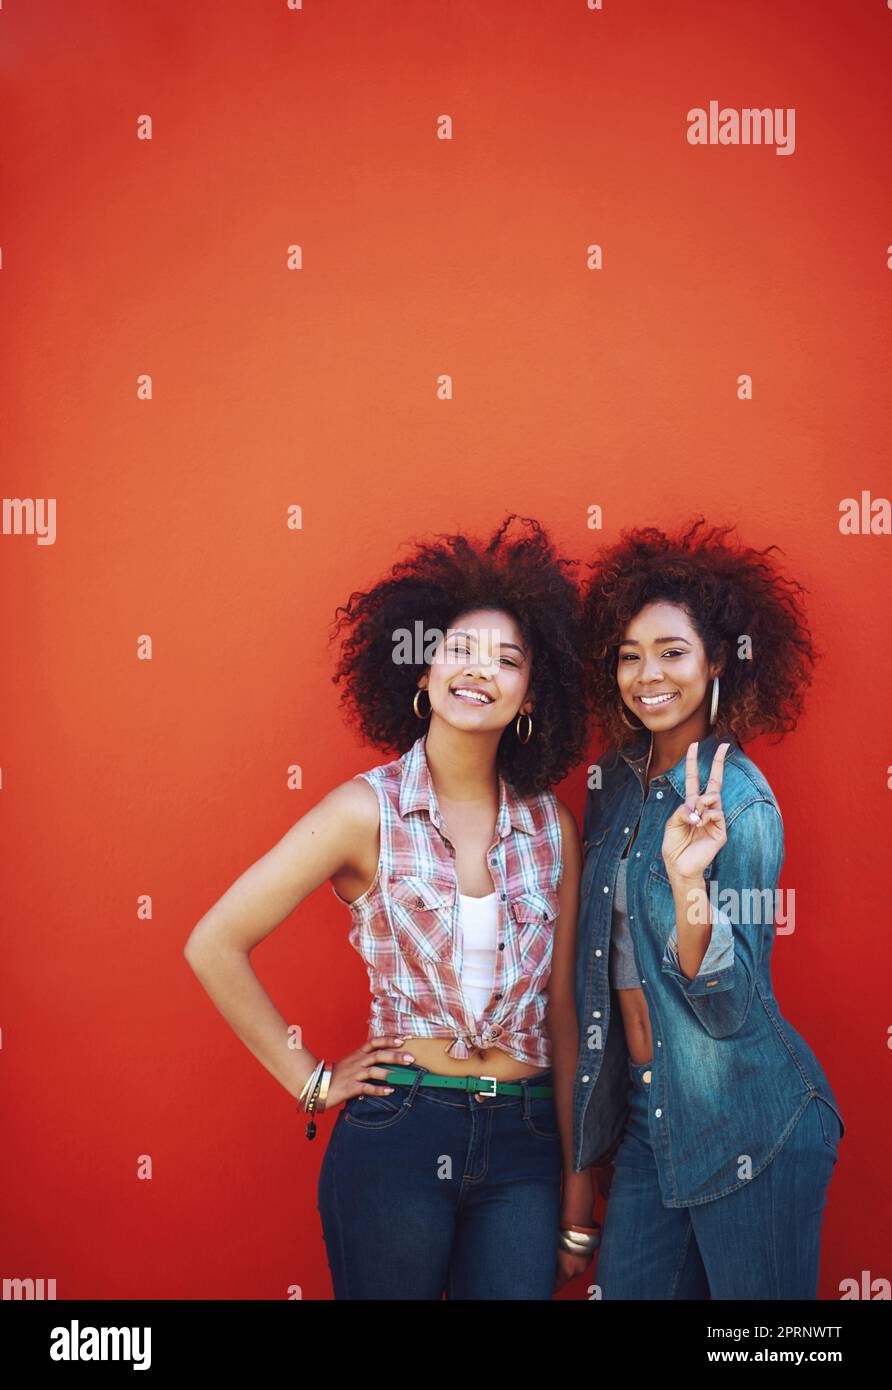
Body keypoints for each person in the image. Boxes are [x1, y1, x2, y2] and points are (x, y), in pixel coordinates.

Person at [184, 514, 592, 1299]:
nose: (481, 672)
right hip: (401, 1135)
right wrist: (310, 1081)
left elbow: (565, 1014)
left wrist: (577, 1193)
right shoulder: (360, 813)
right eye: (460, 650)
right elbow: (214, 942)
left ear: (532, 692)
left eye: (508, 660)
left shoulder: (552, 826)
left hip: (526, 1143)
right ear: (419, 669)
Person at [553, 517, 845, 1299]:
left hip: (750, 1119)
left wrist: (689, 889)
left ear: (717, 661)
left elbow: (727, 1005)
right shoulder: (612, 787)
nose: (648, 673)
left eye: (673, 652)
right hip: (656, 1127)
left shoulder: (741, 804)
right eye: (629, 655)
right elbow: (591, 978)